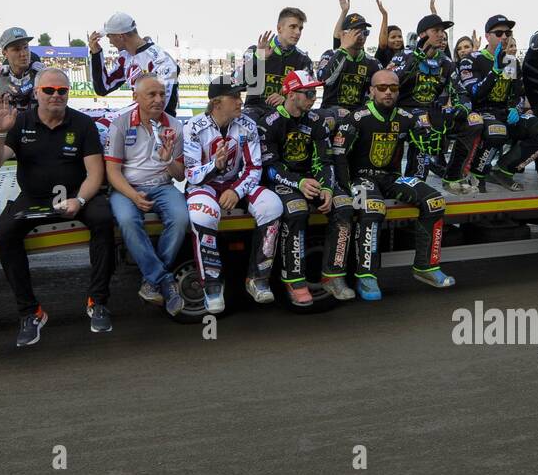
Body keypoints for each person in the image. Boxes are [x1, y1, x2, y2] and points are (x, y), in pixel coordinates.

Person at [0, 68, 115, 343]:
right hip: (34, 197)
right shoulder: (19, 122)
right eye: (48, 90)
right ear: (36, 93)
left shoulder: (82, 124)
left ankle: (98, 301)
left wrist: (79, 200)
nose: (56, 95)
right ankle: (30, 312)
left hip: (77, 195)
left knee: (103, 219)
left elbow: (95, 174)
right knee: (6, 233)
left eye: (62, 91)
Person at [331, 69, 453, 299]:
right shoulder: (357, 118)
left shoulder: (407, 118)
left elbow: (430, 151)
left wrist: (438, 130)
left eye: (393, 88)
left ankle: (426, 267)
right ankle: (365, 275)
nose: (388, 92)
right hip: (361, 178)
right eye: (382, 87)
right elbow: (339, 155)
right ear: (371, 91)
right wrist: (345, 188)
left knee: (435, 202)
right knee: (373, 209)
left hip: (391, 177)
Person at [182, 76, 284, 312]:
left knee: (273, 205)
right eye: (235, 97)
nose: (241, 101)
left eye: (240, 96)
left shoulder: (247, 125)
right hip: (204, 186)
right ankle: (212, 285)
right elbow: (192, 174)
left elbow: (254, 167)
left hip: (237, 185)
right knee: (202, 215)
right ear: (217, 103)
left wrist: (236, 191)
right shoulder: (193, 127)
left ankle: (258, 279)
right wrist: (215, 166)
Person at [256, 70, 356, 303]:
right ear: (291, 94)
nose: (314, 98)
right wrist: (298, 182)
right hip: (281, 181)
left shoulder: (316, 120)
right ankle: (294, 279)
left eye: (316, 93)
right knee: (296, 210)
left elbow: (325, 160)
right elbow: (269, 168)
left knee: (344, 206)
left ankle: (333, 275)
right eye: (309, 93)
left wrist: (328, 189)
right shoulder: (269, 123)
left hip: (311, 179)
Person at [104, 74, 188, 317]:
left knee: (181, 218)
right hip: (127, 187)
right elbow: (112, 171)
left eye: (162, 94)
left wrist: (168, 159)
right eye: (151, 94)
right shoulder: (120, 124)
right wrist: (133, 195)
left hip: (163, 186)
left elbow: (180, 176)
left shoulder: (175, 126)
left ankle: (151, 281)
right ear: (135, 97)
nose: (159, 99)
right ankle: (162, 280)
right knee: (129, 221)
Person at [454, 14, 538, 192]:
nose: (504, 37)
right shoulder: (472, 59)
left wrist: (516, 109)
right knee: (497, 131)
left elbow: (518, 94)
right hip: (480, 112)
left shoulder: (512, 62)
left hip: (504, 113)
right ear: (487, 36)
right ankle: (476, 176)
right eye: (499, 33)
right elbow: (475, 94)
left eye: (508, 32)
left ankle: (504, 170)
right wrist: (495, 70)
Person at [389, 12, 485, 195]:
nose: (442, 35)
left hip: (433, 112)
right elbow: (392, 83)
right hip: (403, 112)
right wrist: (418, 56)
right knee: (426, 123)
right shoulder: (404, 55)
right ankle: (414, 183)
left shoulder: (445, 62)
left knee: (474, 121)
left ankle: (452, 177)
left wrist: (459, 110)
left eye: (443, 31)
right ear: (423, 34)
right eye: (437, 30)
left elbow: (461, 92)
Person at [88, 11, 180, 115]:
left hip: (159, 125)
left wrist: (118, 118)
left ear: (120, 36)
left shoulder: (160, 60)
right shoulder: (126, 57)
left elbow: (158, 106)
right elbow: (103, 88)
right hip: (137, 119)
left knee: (99, 124)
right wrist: (96, 54)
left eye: (109, 36)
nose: (110, 42)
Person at [240, 6, 313, 121]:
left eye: (300, 28)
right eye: (293, 27)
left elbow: (309, 96)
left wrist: (285, 99)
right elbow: (238, 82)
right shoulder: (254, 51)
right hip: (255, 110)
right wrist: (258, 58)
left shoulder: (304, 60)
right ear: (279, 28)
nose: (298, 32)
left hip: (285, 112)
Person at [316, 10, 378, 111]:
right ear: (343, 34)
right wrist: (343, 49)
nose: (361, 36)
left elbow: (378, 92)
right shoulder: (329, 55)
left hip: (358, 116)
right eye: (356, 33)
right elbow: (325, 80)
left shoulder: (373, 63)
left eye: (365, 33)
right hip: (330, 113)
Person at [0, 26, 46, 112]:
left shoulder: (42, 72)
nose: (23, 54)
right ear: (4, 52)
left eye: (25, 47)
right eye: (16, 49)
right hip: (7, 123)